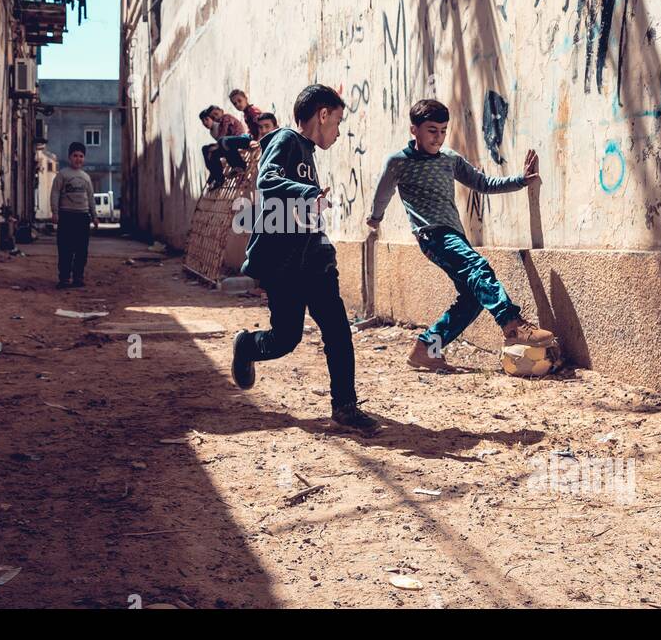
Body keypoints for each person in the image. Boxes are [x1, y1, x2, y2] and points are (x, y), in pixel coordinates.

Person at [367, 98, 554, 371]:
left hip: (454, 235)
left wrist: (520, 180)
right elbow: (383, 192)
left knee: (472, 298)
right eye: (432, 130)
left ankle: (426, 350)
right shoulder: (399, 162)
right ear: (414, 130)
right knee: (477, 266)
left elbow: (482, 183)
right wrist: (375, 217)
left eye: (443, 130)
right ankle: (512, 324)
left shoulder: (450, 160)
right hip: (431, 235)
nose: (438, 137)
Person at [231, 84, 378, 431]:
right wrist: (307, 192)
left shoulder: (306, 151)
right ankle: (248, 345)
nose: (339, 132)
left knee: (338, 331)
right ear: (322, 115)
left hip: (314, 259)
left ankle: (345, 407)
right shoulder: (285, 140)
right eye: (337, 122)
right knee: (285, 339)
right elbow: (267, 181)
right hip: (284, 264)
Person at [50, 142, 99, 288]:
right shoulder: (62, 175)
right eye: (75, 156)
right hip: (66, 216)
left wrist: (94, 215)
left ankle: (78, 277)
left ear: (84, 158)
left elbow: (90, 197)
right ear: (70, 157)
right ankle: (64, 278)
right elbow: (55, 193)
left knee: (81, 249)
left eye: (81, 156)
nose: (78, 159)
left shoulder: (86, 177)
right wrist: (55, 212)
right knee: (65, 248)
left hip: (82, 217)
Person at [200, 106, 254, 188]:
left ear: (221, 111)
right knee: (206, 149)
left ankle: (239, 166)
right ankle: (217, 176)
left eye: (216, 114)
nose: (215, 117)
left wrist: (216, 146)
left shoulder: (226, 118)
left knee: (221, 142)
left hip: (241, 139)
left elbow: (224, 134)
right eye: (213, 116)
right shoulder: (217, 126)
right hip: (229, 144)